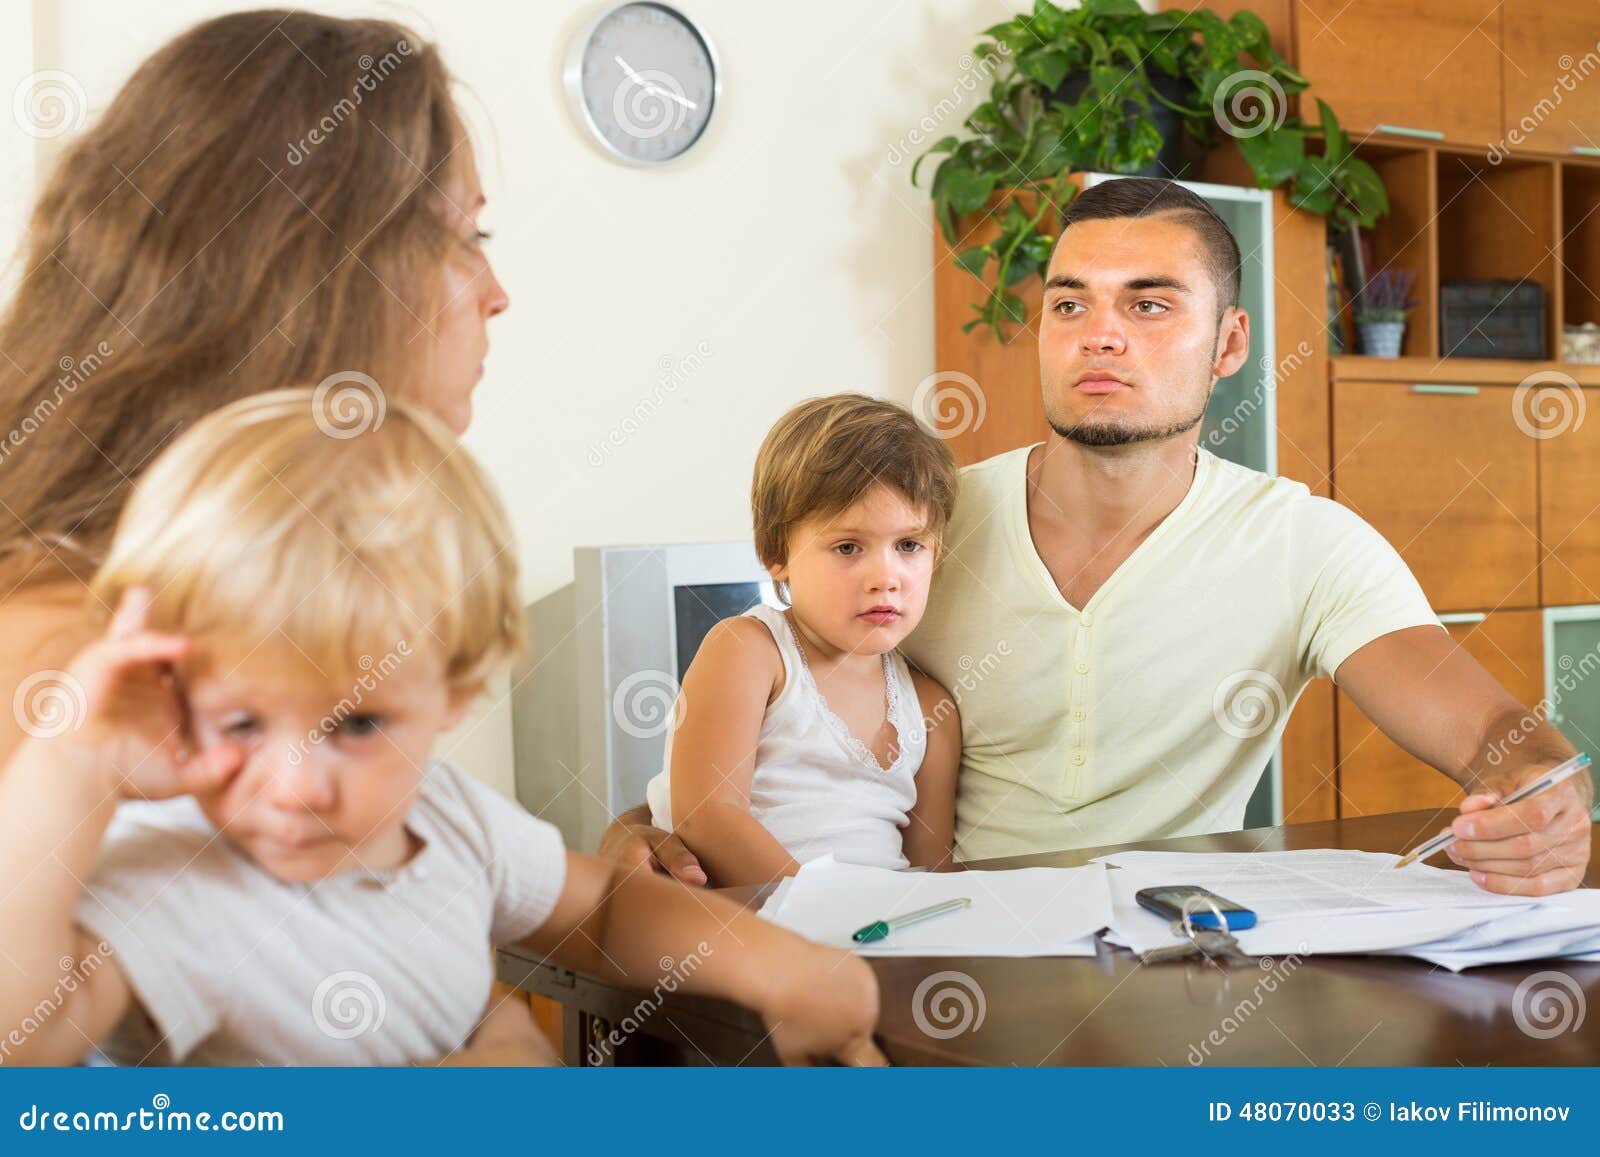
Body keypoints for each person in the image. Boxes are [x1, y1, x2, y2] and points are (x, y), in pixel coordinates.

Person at [604, 177, 1592, 897]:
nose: (1099, 333)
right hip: (952, 949)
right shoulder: (920, 525)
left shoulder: (1307, 543)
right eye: (1069, 302)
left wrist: (1544, 798)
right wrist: (634, 830)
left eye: (1149, 303)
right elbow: (767, 745)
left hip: (1174, 963)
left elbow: (1496, 737)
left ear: (1230, 344)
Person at [0, 390, 884, 1067]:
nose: (295, 782)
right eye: (239, 719)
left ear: (456, 690)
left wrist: (778, 965)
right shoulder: (173, 876)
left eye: (356, 722)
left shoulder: (448, 816)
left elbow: (608, 907)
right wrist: (70, 768)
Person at [0, 9, 508, 765]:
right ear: (315, 276)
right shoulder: (75, 667)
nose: (496, 293)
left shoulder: (261, 609)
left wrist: (626, 851)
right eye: (467, 237)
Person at [644, 395, 961, 885]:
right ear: (777, 553)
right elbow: (706, 818)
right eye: (848, 547)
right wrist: (828, 919)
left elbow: (933, 873)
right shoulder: (750, 652)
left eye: (909, 545)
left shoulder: (932, 709)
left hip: (882, 938)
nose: (886, 577)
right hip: (765, 934)